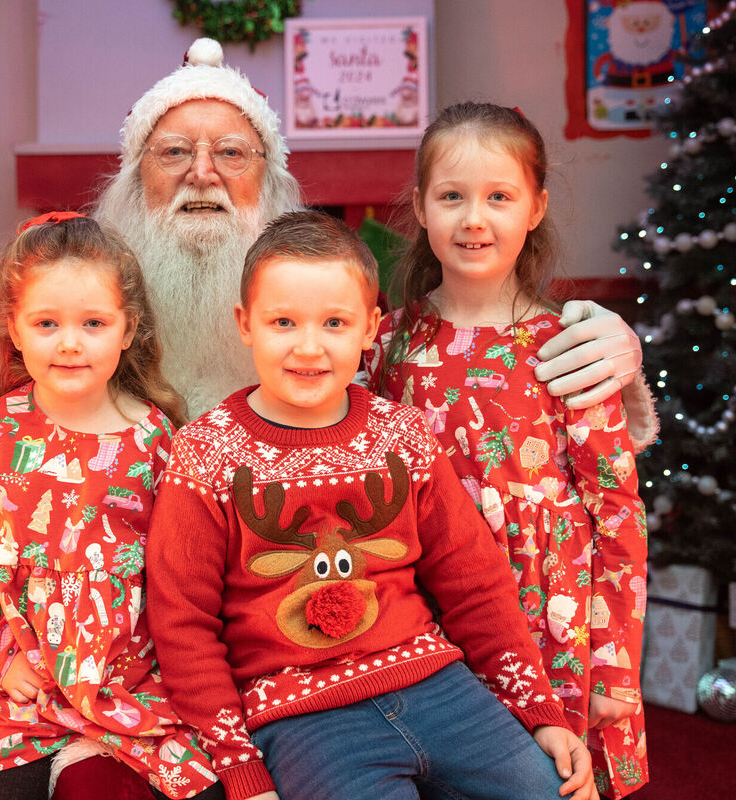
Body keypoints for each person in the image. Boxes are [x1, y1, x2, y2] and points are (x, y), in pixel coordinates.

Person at [0, 37, 653, 509]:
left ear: (272, 185)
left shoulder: (348, 326)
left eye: (231, 154)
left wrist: (616, 341)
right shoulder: (51, 318)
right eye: (171, 152)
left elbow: (462, 366)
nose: (200, 174)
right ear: (127, 180)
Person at [145, 211, 599, 800]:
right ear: (246, 325)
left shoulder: (401, 435)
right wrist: (240, 768)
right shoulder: (203, 454)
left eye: (335, 322)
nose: (309, 347)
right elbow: (183, 626)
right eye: (283, 321)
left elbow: (474, 582)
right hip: (302, 715)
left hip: (438, 686)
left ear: (369, 328)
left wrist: (538, 710)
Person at [366, 103, 648, 797]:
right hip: (429, 615)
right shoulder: (386, 346)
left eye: (499, 196)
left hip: (550, 617)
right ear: (420, 208)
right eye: (452, 196)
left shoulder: (570, 347)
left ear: (535, 207)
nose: (474, 219)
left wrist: (613, 667)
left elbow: (615, 512)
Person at [0, 213, 221, 800]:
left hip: (136, 683)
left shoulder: (155, 439)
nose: (70, 342)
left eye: (93, 322)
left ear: (128, 330)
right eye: (46, 323)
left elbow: (180, 571)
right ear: (15, 331)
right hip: (30, 680)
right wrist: (1, 659)